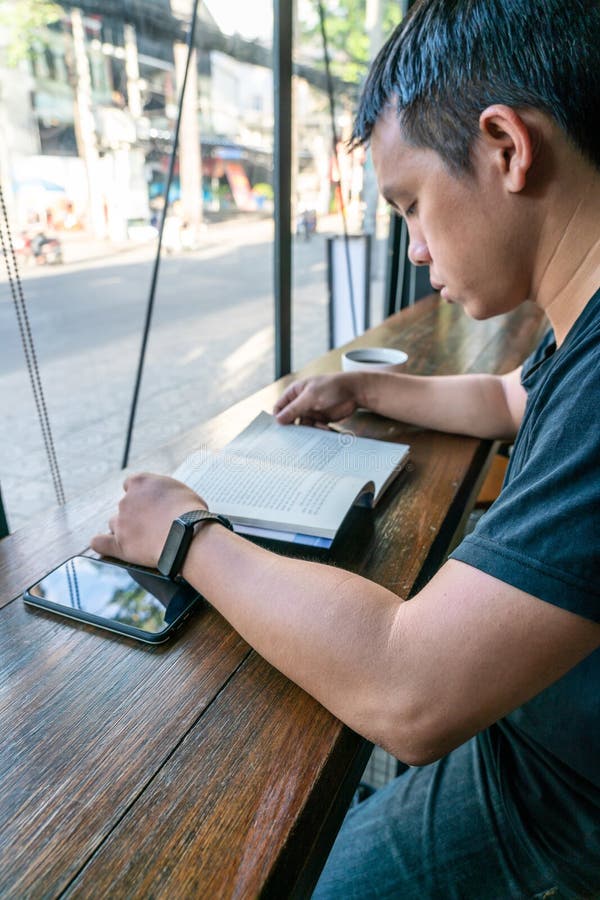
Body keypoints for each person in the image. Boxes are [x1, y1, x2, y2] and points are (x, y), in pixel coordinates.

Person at [92, 0, 600, 895]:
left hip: (562, 802)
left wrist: (187, 534)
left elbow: (410, 689)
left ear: (506, 148)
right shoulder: (582, 327)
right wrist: (364, 387)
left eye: (410, 203)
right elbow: (513, 396)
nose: (414, 245)